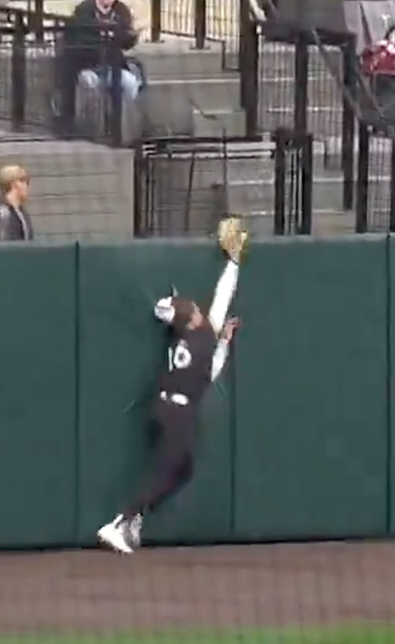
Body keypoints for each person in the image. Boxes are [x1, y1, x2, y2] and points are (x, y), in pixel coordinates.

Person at [96, 218, 247, 555]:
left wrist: (221, 342)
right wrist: (234, 263)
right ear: (192, 318)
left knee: (184, 468)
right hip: (175, 409)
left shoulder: (194, 334)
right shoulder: (201, 331)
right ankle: (120, 521)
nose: (196, 307)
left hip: (170, 407)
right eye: (192, 308)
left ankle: (134, 519)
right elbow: (223, 297)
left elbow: (164, 312)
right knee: (168, 468)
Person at [65, 0, 142, 102]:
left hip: (114, 67)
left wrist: (131, 36)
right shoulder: (83, 10)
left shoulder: (122, 11)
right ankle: (91, 122)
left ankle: (121, 120)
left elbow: (126, 42)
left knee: (130, 83)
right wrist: (104, 36)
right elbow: (77, 39)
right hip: (88, 66)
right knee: (90, 84)